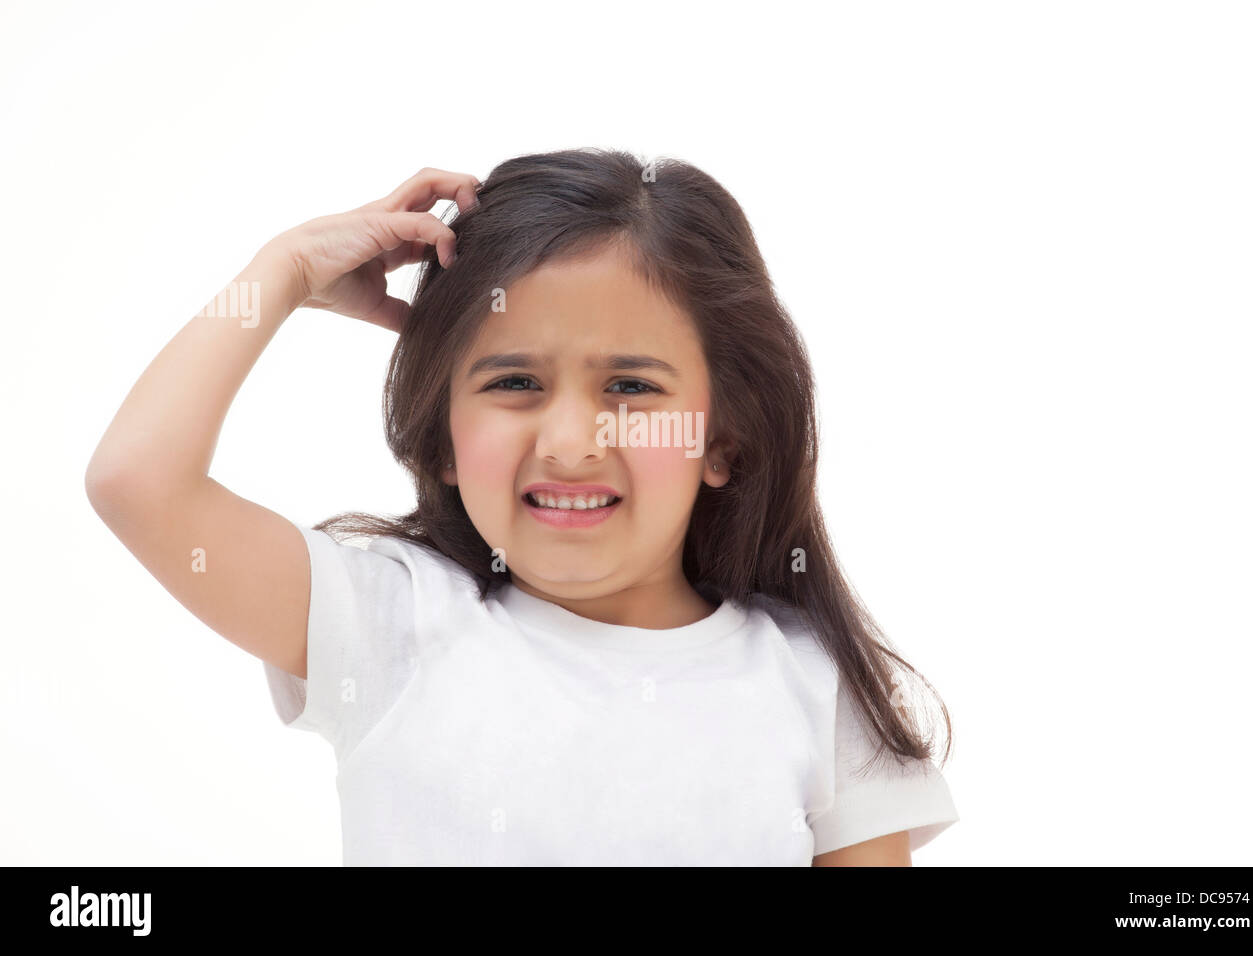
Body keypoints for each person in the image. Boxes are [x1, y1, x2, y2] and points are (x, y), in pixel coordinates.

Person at [85, 152, 958, 866]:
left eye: (630, 384)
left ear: (721, 441)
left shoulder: (814, 685)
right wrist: (282, 273)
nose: (571, 441)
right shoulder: (390, 624)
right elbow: (135, 480)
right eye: (515, 383)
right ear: (442, 441)